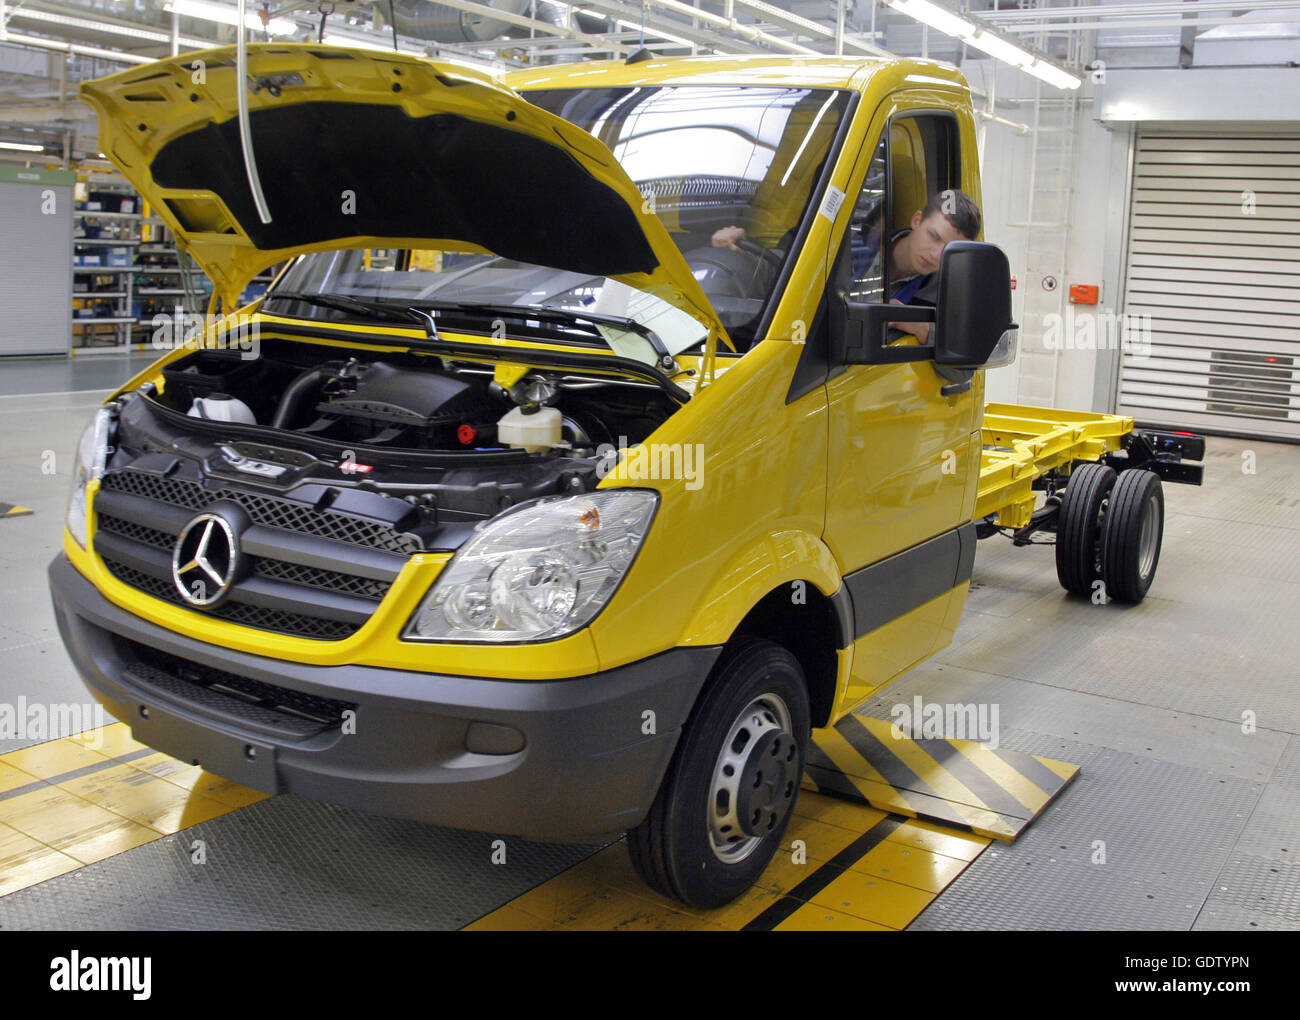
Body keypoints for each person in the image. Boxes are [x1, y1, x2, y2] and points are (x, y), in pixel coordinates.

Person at [860, 189, 982, 344]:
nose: (936, 255)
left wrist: (920, 327)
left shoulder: (948, 290)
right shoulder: (857, 247)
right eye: (934, 236)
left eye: (949, 249)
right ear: (917, 221)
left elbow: (968, 346)